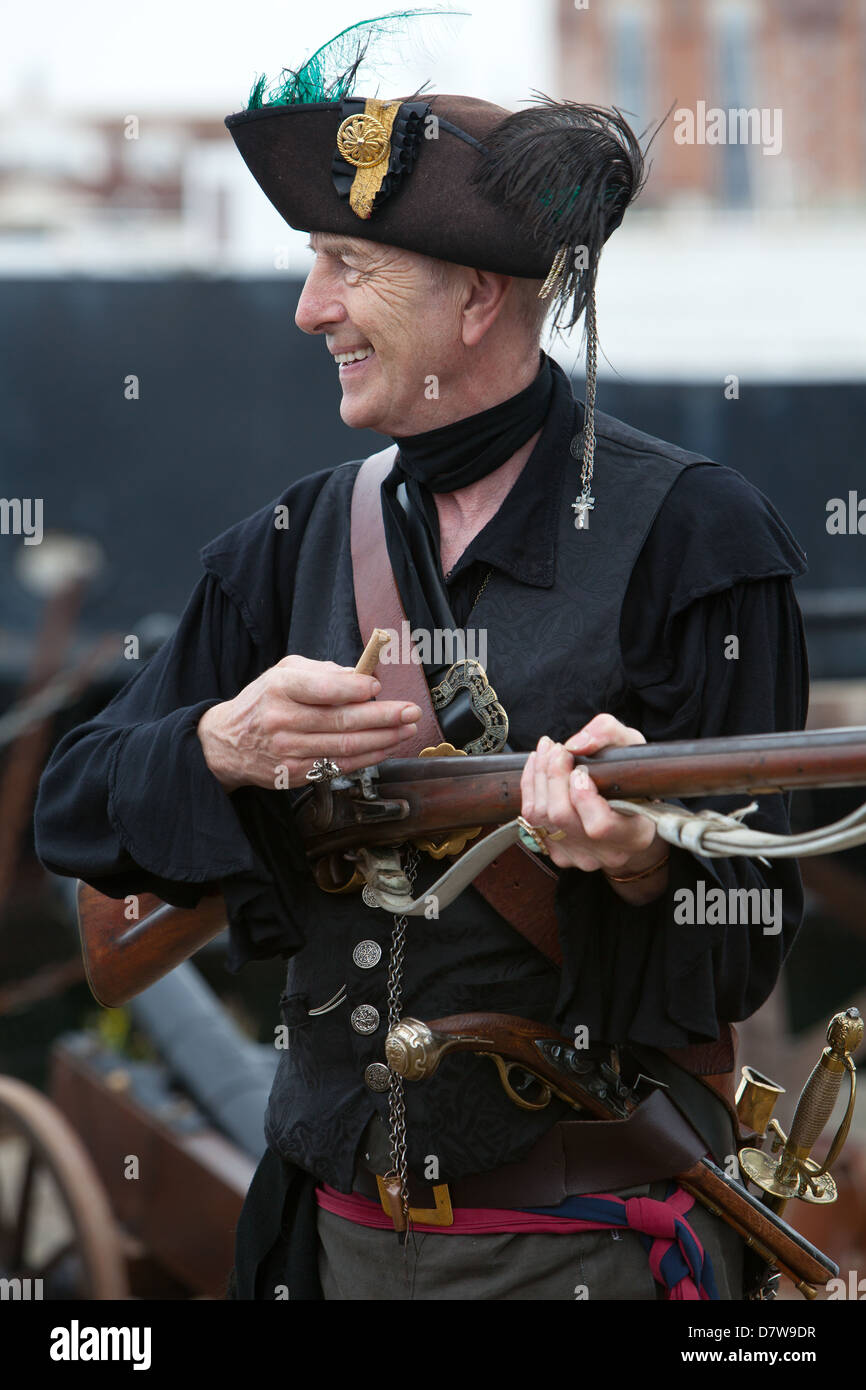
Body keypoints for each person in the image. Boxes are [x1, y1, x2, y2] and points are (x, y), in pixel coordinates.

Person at [34, 35, 809, 1301]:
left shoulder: (698, 539)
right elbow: (77, 804)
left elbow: (742, 942)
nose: (309, 308)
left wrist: (636, 855)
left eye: (348, 267)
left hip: (579, 1244)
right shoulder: (286, 545)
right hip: (331, 1240)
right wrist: (220, 746)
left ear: (474, 299)